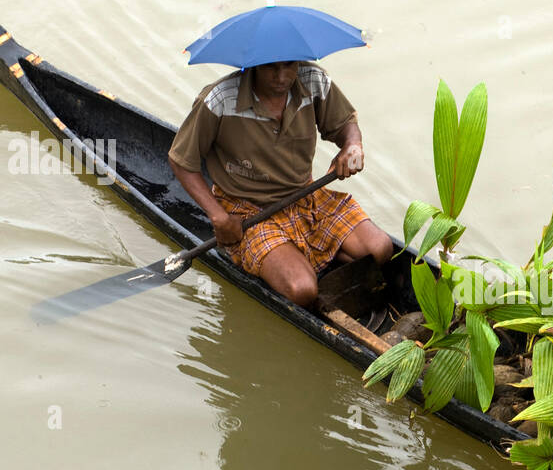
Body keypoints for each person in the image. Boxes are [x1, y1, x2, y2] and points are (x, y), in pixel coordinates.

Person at [167, 60, 393, 306]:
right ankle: (295, 264)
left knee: (380, 250)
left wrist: (352, 145)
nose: (282, 76)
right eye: (271, 68)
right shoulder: (220, 100)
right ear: (253, 66)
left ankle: (309, 259)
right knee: (302, 290)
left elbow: (346, 125)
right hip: (246, 211)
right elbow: (182, 161)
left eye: (289, 66)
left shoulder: (314, 81)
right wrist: (219, 217)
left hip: (306, 195)